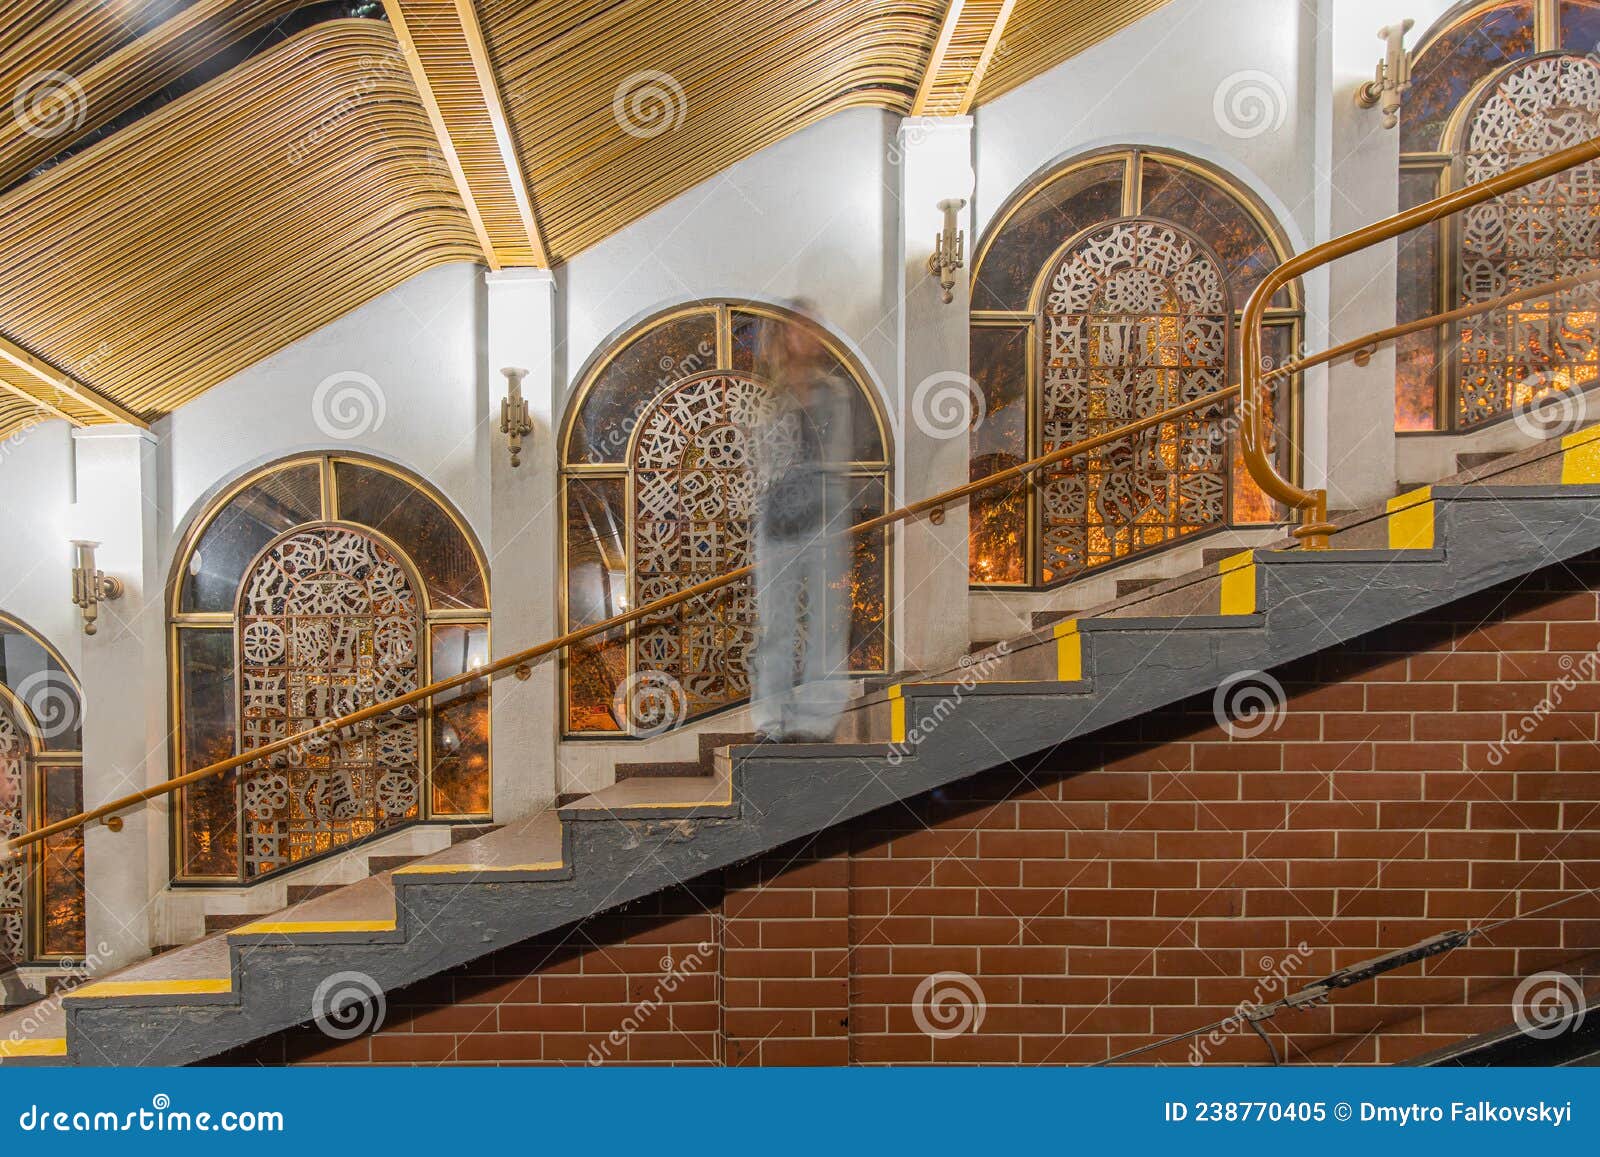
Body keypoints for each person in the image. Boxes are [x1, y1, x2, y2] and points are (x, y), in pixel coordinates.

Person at [750, 313, 854, 742]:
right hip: (776, 520)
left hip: (825, 517)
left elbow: (841, 459)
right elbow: (757, 463)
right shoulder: (767, 399)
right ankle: (770, 722)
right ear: (783, 335)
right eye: (797, 327)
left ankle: (816, 721)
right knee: (776, 625)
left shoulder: (835, 392)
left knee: (827, 620)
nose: (807, 335)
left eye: (812, 327)